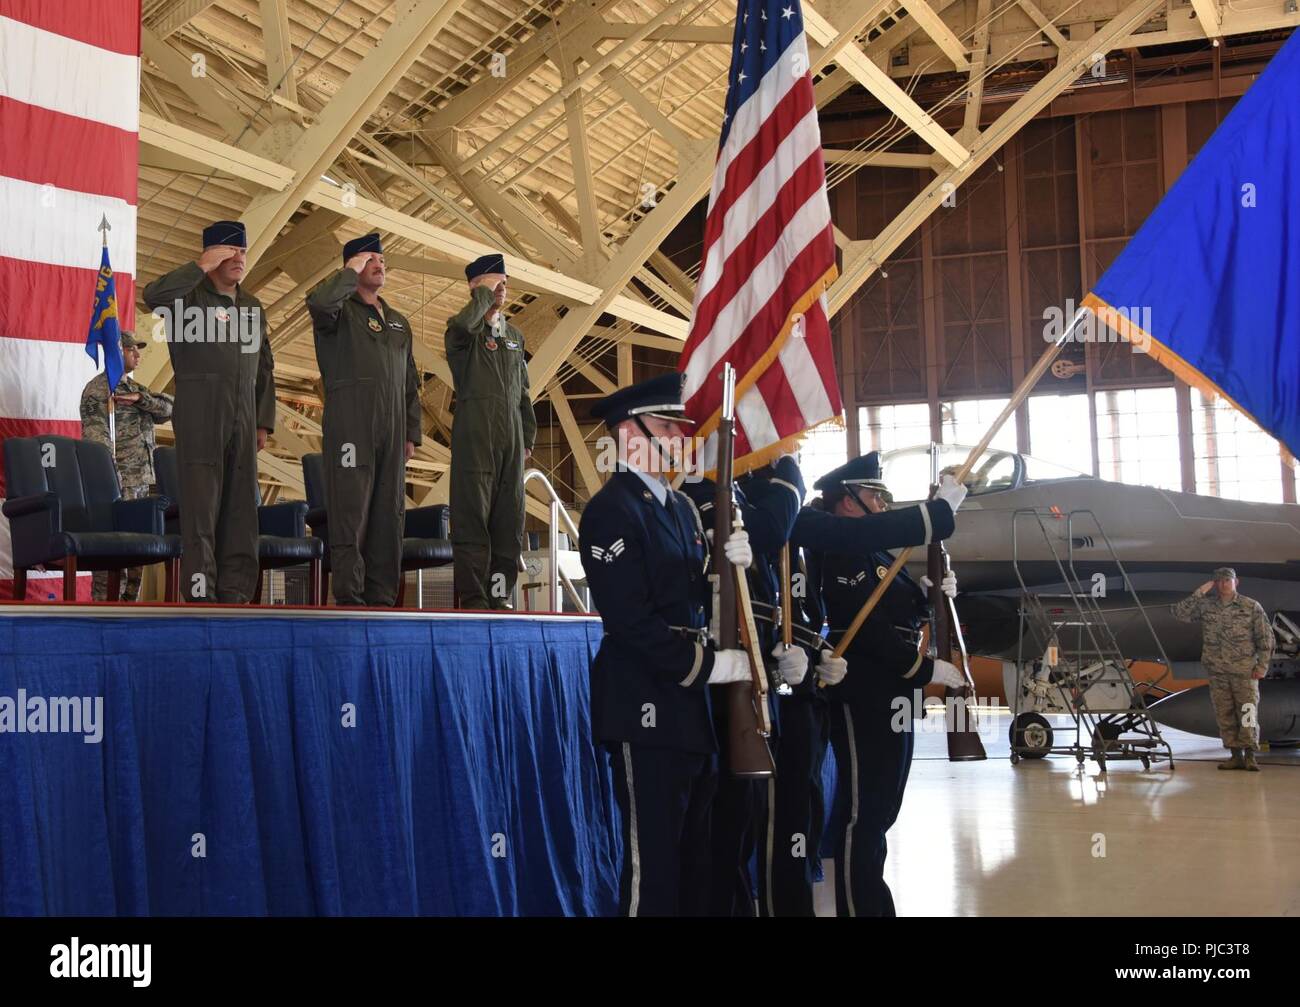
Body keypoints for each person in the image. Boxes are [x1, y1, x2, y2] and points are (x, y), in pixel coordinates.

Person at [579, 373, 754, 916]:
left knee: (693, 862)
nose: (681, 437)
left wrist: (733, 565)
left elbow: (695, 596)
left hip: (690, 709)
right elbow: (631, 621)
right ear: (630, 434)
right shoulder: (611, 511)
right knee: (652, 869)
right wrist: (708, 666)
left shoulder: (679, 509)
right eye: (667, 426)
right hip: (644, 704)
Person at [807, 451, 967, 916]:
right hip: (865, 694)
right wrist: (924, 670)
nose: (881, 502)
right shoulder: (841, 551)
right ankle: (864, 908)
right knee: (864, 813)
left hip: (894, 696)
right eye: (874, 494)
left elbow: (897, 616)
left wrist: (926, 597)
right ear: (847, 501)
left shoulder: (874, 552)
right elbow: (867, 630)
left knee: (882, 810)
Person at [680, 454, 809, 916]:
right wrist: (786, 476)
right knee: (712, 832)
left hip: (753, 680)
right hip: (710, 685)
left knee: (741, 829)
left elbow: (766, 597)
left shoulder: (741, 495)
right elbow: (771, 526)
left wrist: (794, 657)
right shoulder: (695, 488)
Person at [142, 219, 275, 603]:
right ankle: (201, 594)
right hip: (201, 411)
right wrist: (199, 266)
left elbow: (265, 365)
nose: (239, 258)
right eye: (230, 251)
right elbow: (153, 295)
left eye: (243, 251)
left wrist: (263, 420)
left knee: (241, 509)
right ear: (211, 254)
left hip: (244, 415)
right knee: (202, 508)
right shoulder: (187, 298)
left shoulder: (252, 306)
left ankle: (236, 594)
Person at [306, 233, 422, 606]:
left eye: (382, 260)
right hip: (350, 427)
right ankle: (350, 594)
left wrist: (411, 433)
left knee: (390, 512)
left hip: (392, 430)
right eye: (370, 258)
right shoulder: (337, 312)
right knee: (351, 509)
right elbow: (320, 302)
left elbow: (410, 383)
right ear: (352, 265)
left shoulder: (399, 323)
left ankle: (382, 596)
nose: (380, 264)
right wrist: (348, 271)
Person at [445, 253, 536, 609]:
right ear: (475, 286)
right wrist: (481, 298)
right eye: (493, 281)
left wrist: (526, 436)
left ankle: (498, 596)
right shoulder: (461, 332)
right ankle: (473, 598)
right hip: (475, 434)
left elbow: (524, 392)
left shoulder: (514, 336)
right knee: (473, 519)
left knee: (508, 522)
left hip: (511, 438)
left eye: (505, 281)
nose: (502, 287)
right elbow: (465, 326)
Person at [79, 330, 174, 601]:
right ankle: (103, 608)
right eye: (131, 349)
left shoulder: (133, 389)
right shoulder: (99, 390)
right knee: (113, 553)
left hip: (141, 482)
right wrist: (110, 479)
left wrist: (140, 400)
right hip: (116, 484)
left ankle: (128, 609)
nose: (137, 354)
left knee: (138, 552)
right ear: (115, 352)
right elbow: (95, 442)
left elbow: (168, 409)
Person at [1172, 567, 1275, 771]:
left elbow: (1266, 638)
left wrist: (1262, 666)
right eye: (1219, 581)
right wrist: (1200, 592)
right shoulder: (1207, 606)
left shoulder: (1250, 606)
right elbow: (1179, 612)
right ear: (1215, 583)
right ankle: (1235, 755)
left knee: (1247, 712)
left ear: (1237, 582)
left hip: (1245, 671)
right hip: (1218, 671)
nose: (1223, 584)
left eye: (1227, 580)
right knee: (1224, 714)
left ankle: (1250, 755)